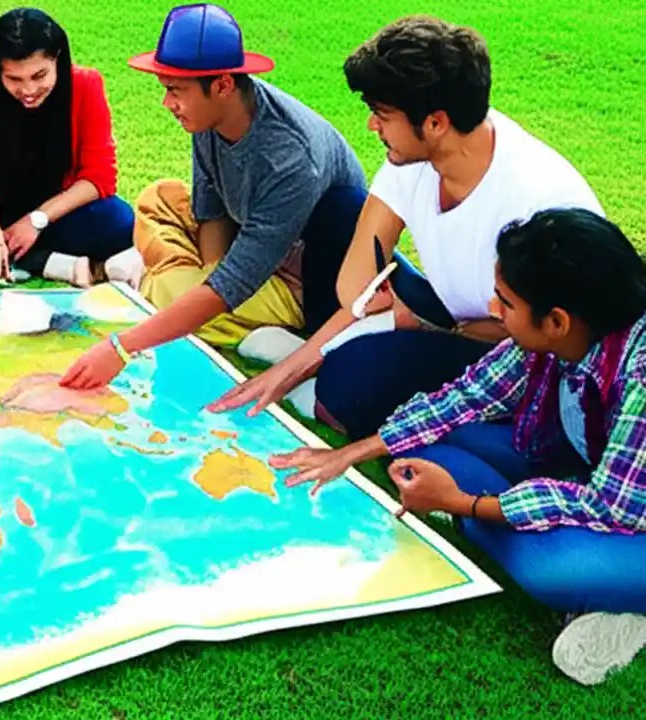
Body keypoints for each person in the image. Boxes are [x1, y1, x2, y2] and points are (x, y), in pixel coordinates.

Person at [271, 208, 646, 686]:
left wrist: (462, 503)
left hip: (625, 508)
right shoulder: (568, 332)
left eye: (506, 302)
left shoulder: (640, 375)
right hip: (595, 475)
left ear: (556, 321)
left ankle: (621, 599)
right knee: (430, 450)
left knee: (547, 567)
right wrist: (349, 454)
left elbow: (612, 505)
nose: (492, 310)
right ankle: (528, 528)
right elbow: (467, 396)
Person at [211, 16, 603, 437]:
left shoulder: (539, 206)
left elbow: (545, 340)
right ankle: (326, 352)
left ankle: (346, 374)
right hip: (448, 311)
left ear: (435, 123)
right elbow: (356, 286)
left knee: (350, 381)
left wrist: (424, 323)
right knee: (338, 209)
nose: (371, 125)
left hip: (515, 357)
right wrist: (309, 355)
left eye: (381, 114)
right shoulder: (416, 156)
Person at [61, 3, 368, 388]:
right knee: (159, 197)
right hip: (242, 244)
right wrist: (209, 273)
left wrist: (122, 347)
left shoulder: (289, 159)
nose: (166, 104)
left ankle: (166, 284)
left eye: (175, 91)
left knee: (183, 298)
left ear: (223, 84)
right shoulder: (209, 116)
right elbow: (209, 206)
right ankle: (170, 282)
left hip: (295, 281)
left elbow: (234, 283)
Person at [0, 7, 136, 288]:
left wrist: (37, 220)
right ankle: (42, 261)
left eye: (39, 76)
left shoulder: (86, 86)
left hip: (55, 212)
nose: (28, 90)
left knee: (117, 221)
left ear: (58, 60)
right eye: (14, 79)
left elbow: (99, 177)